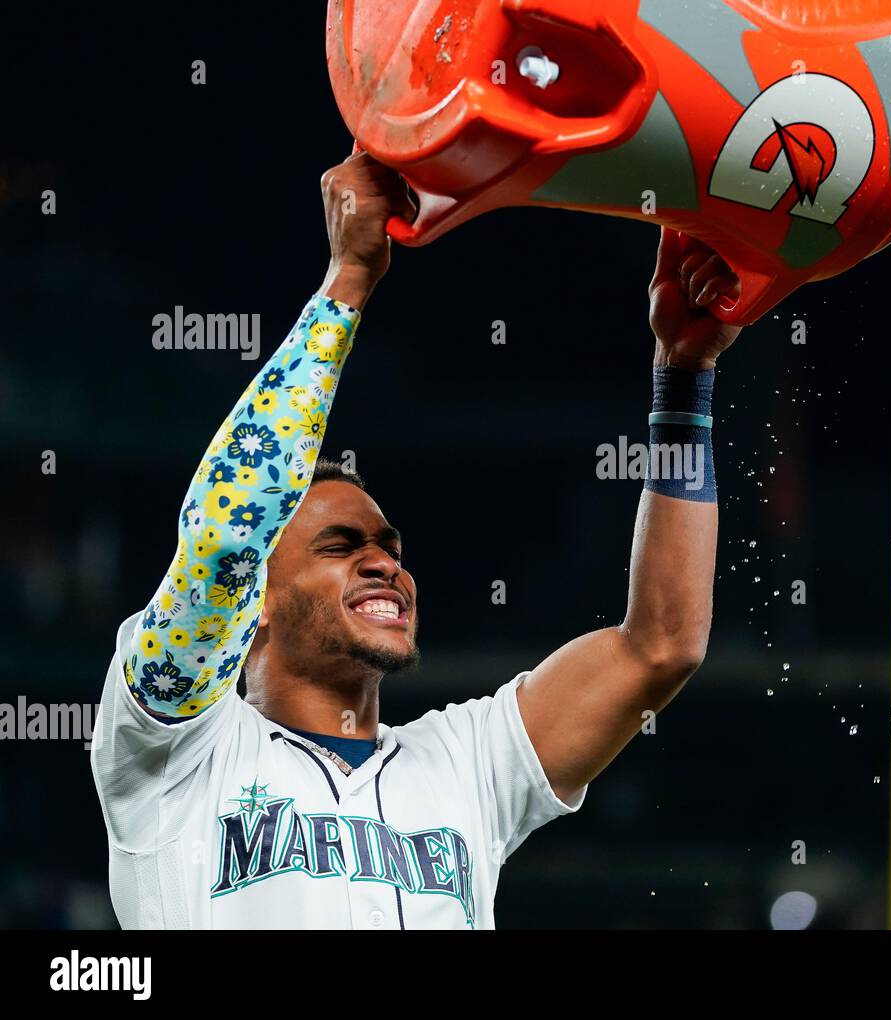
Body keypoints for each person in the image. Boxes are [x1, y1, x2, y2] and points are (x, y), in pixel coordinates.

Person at [90, 152, 743, 929]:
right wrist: (349, 280)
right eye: (338, 545)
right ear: (252, 601)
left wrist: (683, 378)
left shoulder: (466, 762)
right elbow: (230, 529)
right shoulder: (173, 752)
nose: (385, 563)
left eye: (389, 545)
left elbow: (660, 647)